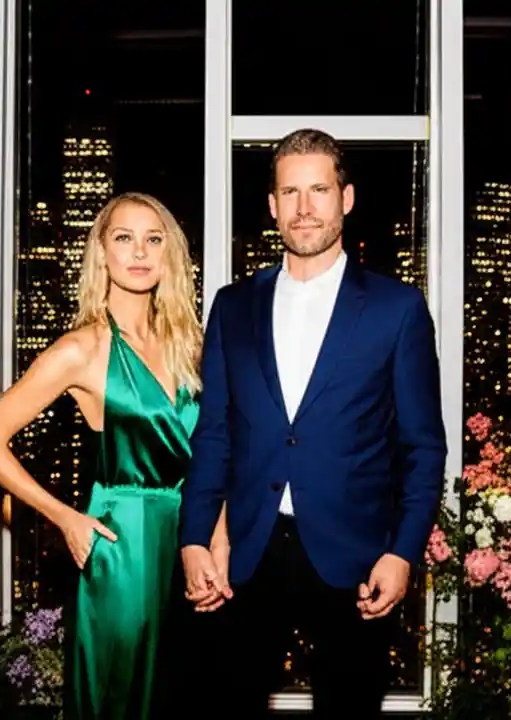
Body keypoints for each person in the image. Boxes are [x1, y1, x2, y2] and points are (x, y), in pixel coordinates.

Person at [178, 128, 448, 718]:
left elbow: (423, 448)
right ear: (272, 205)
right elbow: (213, 432)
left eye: (319, 190)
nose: (304, 208)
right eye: (290, 192)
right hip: (245, 553)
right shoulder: (232, 305)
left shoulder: (396, 308)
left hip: (357, 557)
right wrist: (195, 537)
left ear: (345, 199)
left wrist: (402, 553)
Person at [0, 191, 224, 719]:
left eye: (154, 239)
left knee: (188, 694)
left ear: (169, 253)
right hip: (123, 546)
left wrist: (218, 542)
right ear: (101, 251)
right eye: (124, 238)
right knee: (123, 697)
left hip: (191, 539)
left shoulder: (190, 343)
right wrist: (63, 517)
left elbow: (216, 454)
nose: (139, 252)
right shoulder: (81, 349)